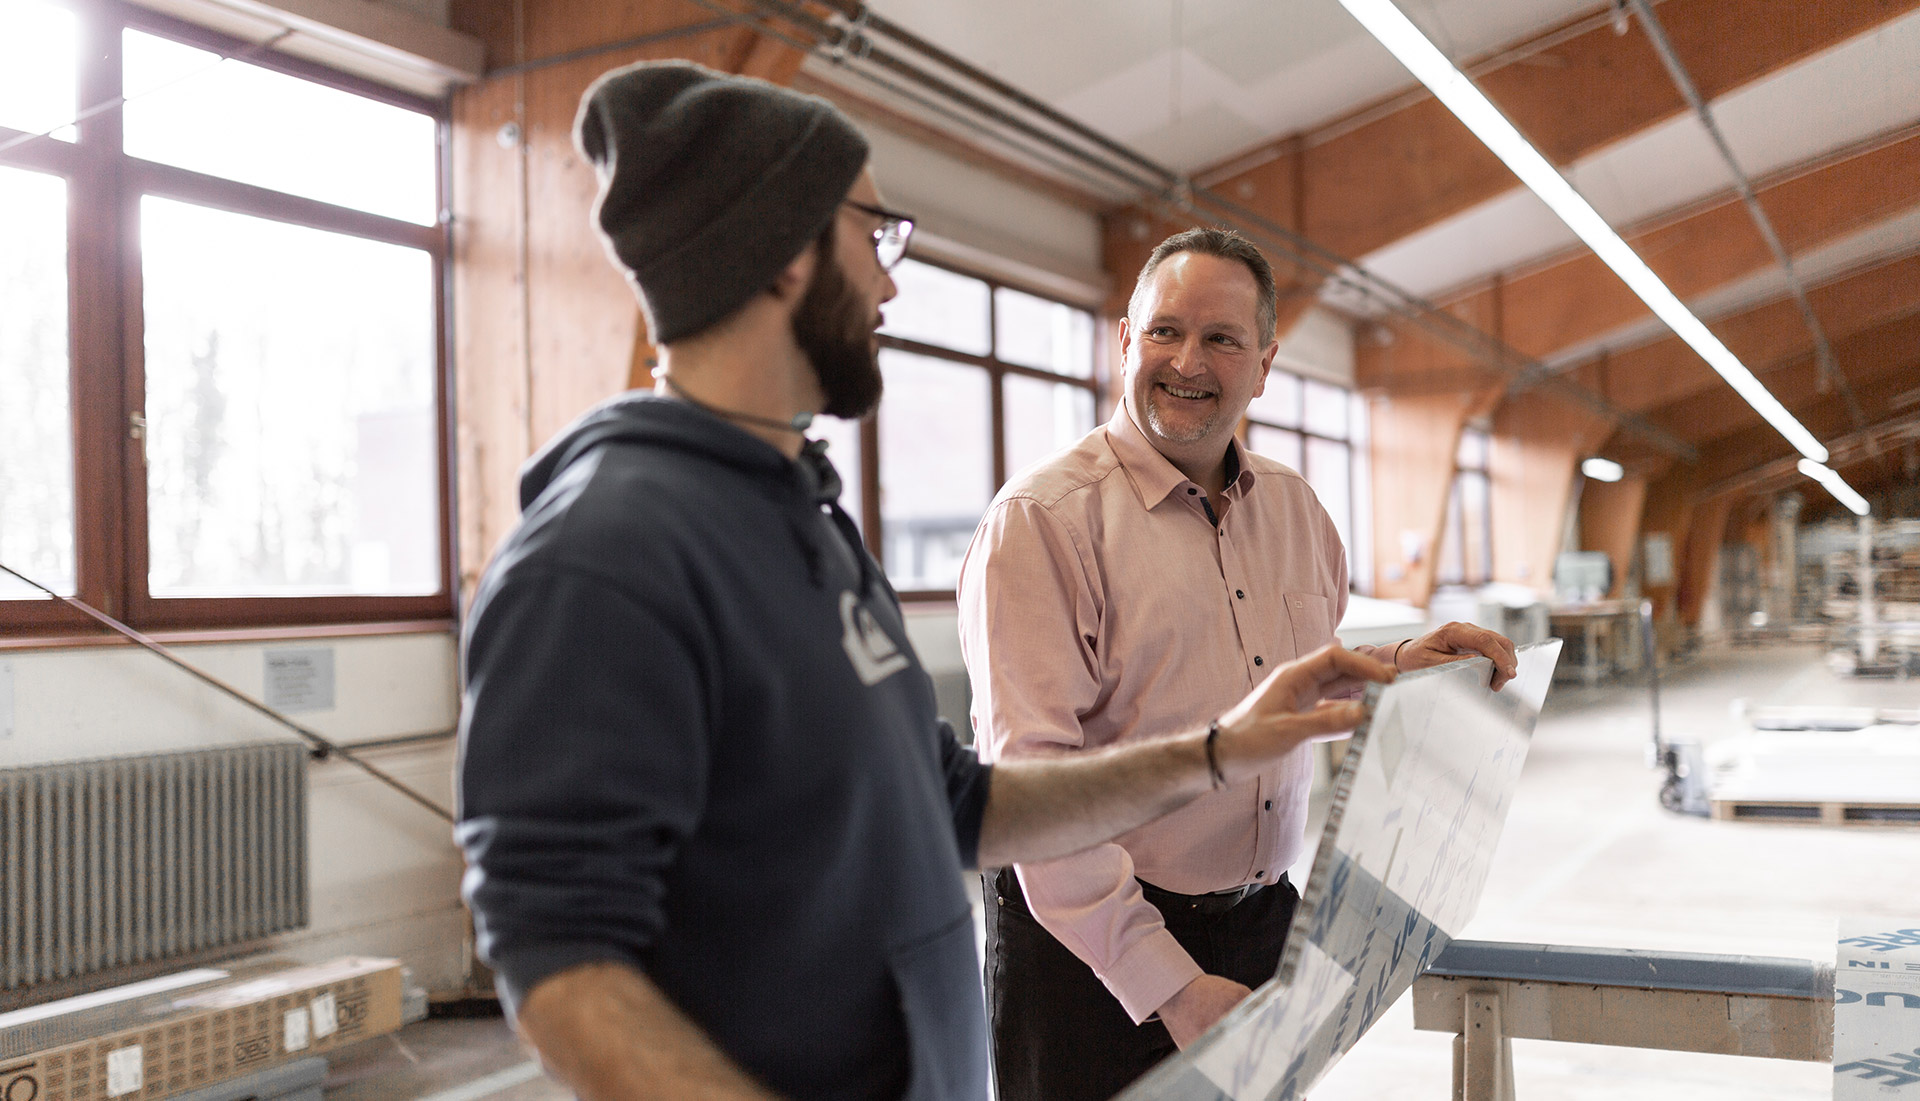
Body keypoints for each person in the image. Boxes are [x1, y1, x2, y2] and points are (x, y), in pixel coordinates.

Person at [455, 62, 1403, 1101]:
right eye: (874, 238)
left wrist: (1224, 751)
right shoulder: (606, 552)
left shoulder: (803, 526)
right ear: (779, 257)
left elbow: (953, 797)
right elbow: (558, 961)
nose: (893, 281)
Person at [957, 227, 1519, 1101]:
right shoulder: (1043, 522)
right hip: (1089, 950)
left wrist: (1404, 664)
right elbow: (1032, 791)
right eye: (1164, 331)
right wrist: (1170, 985)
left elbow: (1287, 673)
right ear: (1124, 342)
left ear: (1263, 364)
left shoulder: (1297, 512)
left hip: (1261, 930)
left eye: (1222, 338)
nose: (1187, 360)